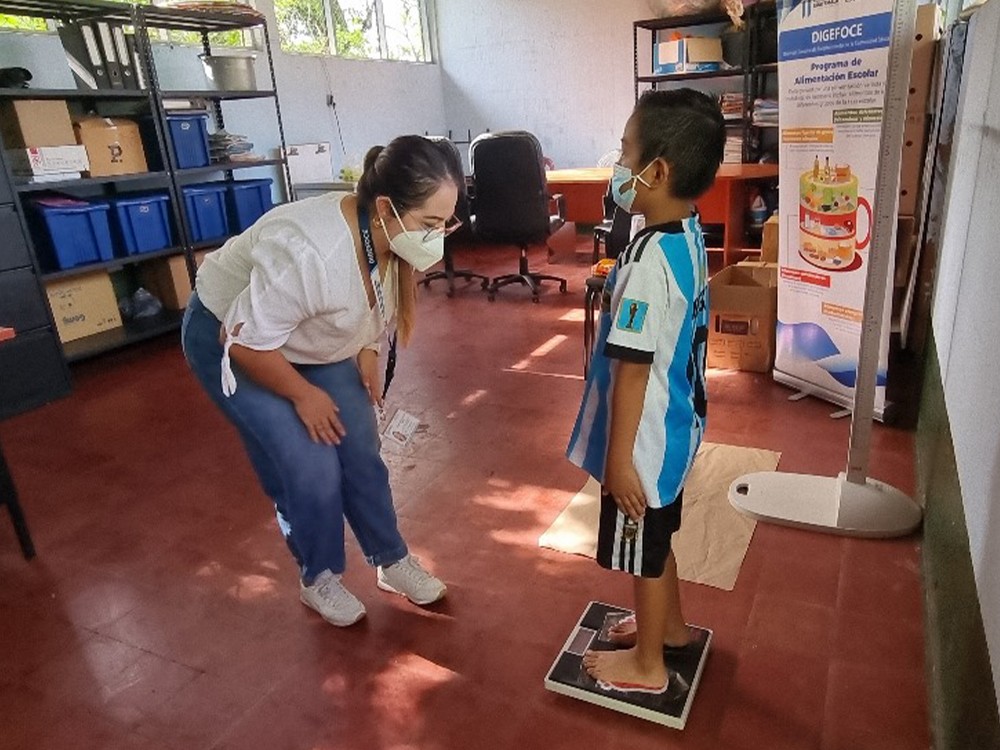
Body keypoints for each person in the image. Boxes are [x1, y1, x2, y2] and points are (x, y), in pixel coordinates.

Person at [181, 135, 465, 627]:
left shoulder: (386, 236)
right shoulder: (312, 251)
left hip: (308, 338)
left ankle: (390, 559)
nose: (437, 238)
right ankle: (319, 577)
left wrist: (369, 350)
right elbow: (244, 341)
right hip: (235, 338)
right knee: (308, 464)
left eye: (446, 223)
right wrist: (302, 394)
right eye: (430, 225)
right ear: (385, 208)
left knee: (360, 450)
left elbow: (373, 299)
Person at [566, 89, 725, 692]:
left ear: (656, 171)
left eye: (625, 150)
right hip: (677, 426)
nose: (619, 162)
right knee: (657, 542)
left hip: (645, 443)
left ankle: (649, 664)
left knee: (641, 552)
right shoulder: (685, 234)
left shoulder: (649, 266)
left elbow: (632, 371)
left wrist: (618, 459)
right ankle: (672, 630)